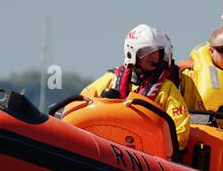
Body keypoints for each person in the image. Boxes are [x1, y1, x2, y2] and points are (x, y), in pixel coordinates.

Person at [81, 24, 190, 153]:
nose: (153, 56)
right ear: (132, 54)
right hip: (108, 144)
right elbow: (82, 101)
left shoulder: (166, 89)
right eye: (147, 52)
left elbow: (180, 128)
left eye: (156, 52)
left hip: (149, 152)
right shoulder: (112, 79)